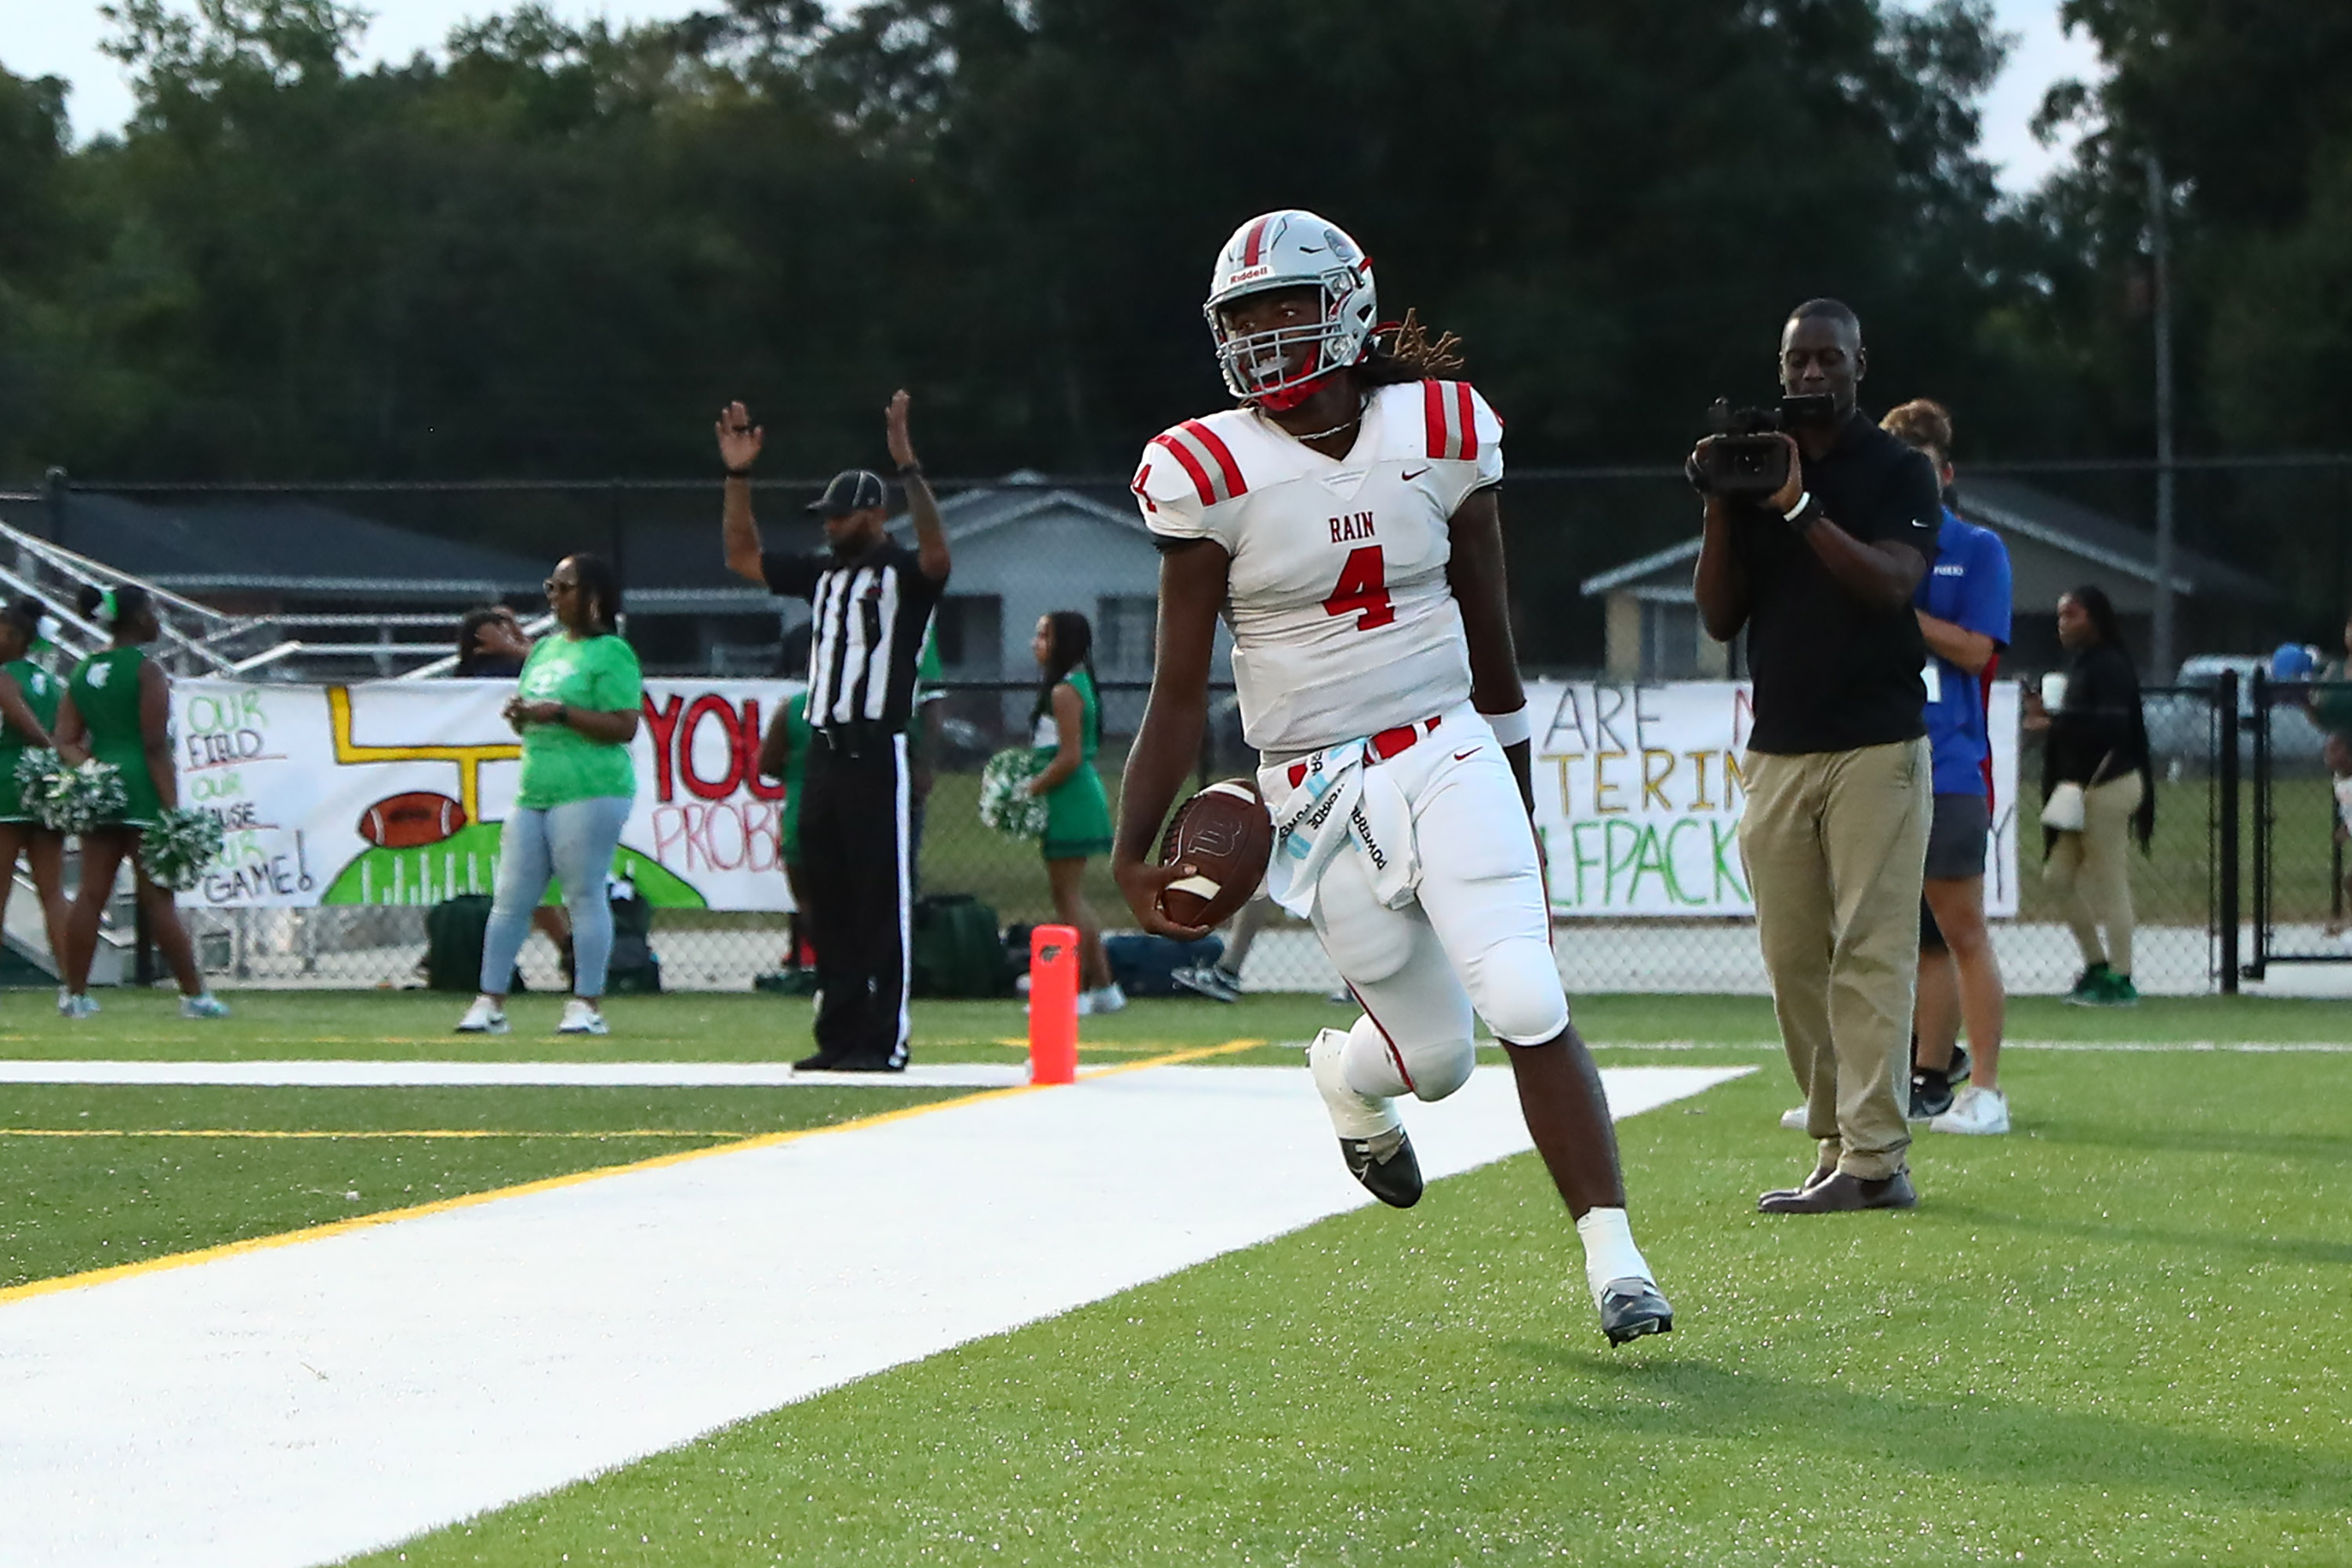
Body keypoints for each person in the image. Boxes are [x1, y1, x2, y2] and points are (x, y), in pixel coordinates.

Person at [1114, 209, 1670, 1346]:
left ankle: (1618, 1262)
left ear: (1351, 305)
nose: (1266, 334)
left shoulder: (1444, 429)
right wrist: (1134, 849)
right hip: (1315, 794)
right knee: (1441, 1062)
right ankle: (1347, 1076)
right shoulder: (1206, 470)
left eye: (1286, 305)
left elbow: (1493, 626)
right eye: (1245, 316)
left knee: (1522, 991)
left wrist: (1518, 779)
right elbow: (1177, 694)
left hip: (1444, 742)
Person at [1691, 299, 1941, 1214]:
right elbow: (1720, 616)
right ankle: (1838, 1142)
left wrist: (1798, 506)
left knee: (1871, 948)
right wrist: (1725, 503)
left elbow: (1890, 582)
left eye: (1829, 359)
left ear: (1860, 365)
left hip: (1878, 740)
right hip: (1781, 744)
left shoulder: (1899, 468)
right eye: (1798, 362)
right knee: (1793, 953)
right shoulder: (1759, 461)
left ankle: (1876, 1159)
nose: (1811, 376)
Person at [720, 390, 949, 1073]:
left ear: (875, 515)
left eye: (841, 515)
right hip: (822, 754)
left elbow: (938, 556)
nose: (829, 526)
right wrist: (738, 477)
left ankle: (886, 1037)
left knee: (882, 901)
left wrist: (910, 467)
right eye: (826, 515)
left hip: (878, 749)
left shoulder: (902, 574)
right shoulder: (822, 577)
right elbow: (741, 556)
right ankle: (840, 1035)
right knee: (829, 903)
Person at [1882, 399, 2013, 1136]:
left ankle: (1985, 1089)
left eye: (1925, 472)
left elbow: (1975, 650)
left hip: (1951, 763)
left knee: (1958, 928)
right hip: (1874, 757)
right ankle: (1893, 1079)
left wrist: (1900, 606)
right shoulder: (1870, 543)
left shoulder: (1978, 548)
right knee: (1875, 932)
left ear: (1947, 473)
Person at [454, 554, 641, 1037]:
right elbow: (535, 709)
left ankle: (586, 1003)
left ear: (593, 597)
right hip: (536, 786)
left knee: (583, 894)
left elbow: (624, 726)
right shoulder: (545, 651)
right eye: (551, 587)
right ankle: (489, 1000)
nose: (553, 597)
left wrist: (558, 713)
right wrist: (521, 714)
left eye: (564, 588)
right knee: (511, 897)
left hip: (591, 787)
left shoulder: (612, 653)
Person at [53, 585, 229, 1019]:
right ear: (134, 619)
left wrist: (94, 773)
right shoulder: (146, 670)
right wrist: (172, 810)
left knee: (91, 894)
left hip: (102, 792)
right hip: (143, 788)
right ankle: (194, 996)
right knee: (157, 899)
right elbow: (153, 744)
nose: (158, 621)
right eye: (152, 611)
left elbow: (65, 740)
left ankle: (74, 996)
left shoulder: (85, 668)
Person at [2024, 584, 2154, 1006]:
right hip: (2081, 791)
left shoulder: (2110, 666)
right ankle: (2097, 965)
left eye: (2072, 615)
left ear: (2094, 618)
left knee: (2109, 881)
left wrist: (2054, 726)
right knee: (2056, 878)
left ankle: (2122, 977)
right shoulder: (2081, 665)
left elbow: (2112, 729)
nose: (2062, 623)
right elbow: (2081, 722)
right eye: (2060, 615)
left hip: (2111, 786)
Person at [453, 603, 575, 980]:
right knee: (521, 877)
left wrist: (516, 641)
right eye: (506, 631)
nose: (520, 638)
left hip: (526, 788)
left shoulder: (523, 667)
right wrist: (516, 649)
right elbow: (562, 670)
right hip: (514, 791)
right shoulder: (497, 675)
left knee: (522, 878)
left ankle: (564, 948)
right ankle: (565, 949)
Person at [1025, 611, 1123, 1014]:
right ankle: (1104, 988)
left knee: (1068, 897)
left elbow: (1069, 757)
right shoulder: (1073, 686)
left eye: (1043, 635)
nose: (1036, 643)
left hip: (1070, 798)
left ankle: (1077, 988)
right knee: (1070, 895)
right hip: (1070, 796)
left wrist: (1027, 789)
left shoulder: (1065, 692)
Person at [0, 601, 71, 1004]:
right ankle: (71, 985)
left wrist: (46, 749)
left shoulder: (5, 676)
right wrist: (56, 762)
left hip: (9, 784)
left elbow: (19, 719)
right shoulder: (50, 681)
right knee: (54, 893)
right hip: (46, 789)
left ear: (13, 635)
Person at [757, 622, 816, 972]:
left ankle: (825, 969)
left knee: (807, 901)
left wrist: (796, 772)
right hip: (854, 821)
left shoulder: (792, 709)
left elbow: (767, 763)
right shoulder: (866, 709)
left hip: (802, 818)